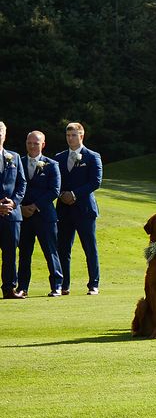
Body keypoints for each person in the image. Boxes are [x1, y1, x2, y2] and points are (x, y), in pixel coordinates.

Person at [54, 122, 104, 295]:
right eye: (68, 135)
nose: (70, 138)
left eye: (74, 135)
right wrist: (62, 194)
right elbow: (54, 181)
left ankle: (93, 284)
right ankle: (63, 285)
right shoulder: (59, 157)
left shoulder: (92, 156)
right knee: (63, 248)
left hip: (84, 210)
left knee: (89, 247)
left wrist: (74, 194)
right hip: (63, 209)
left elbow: (95, 181)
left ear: (81, 136)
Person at [17, 130, 63, 297]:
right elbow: (14, 187)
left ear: (43, 145)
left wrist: (35, 206)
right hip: (23, 216)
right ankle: (22, 287)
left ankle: (57, 285)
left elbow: (55, 191)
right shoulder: (18, 162)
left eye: (36, 143)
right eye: (29, 143)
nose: (32, 146)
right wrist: (21, 207)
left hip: (45, 216)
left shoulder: (52, 165)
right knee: (24, 253)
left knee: (50, 251)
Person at [0, 122, 23, 299]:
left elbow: (22, 184)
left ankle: (9, 288)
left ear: (5, 135)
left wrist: (13, 203)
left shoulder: (13, 157)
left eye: (1, 132)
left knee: (10, 253)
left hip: (11, 214)